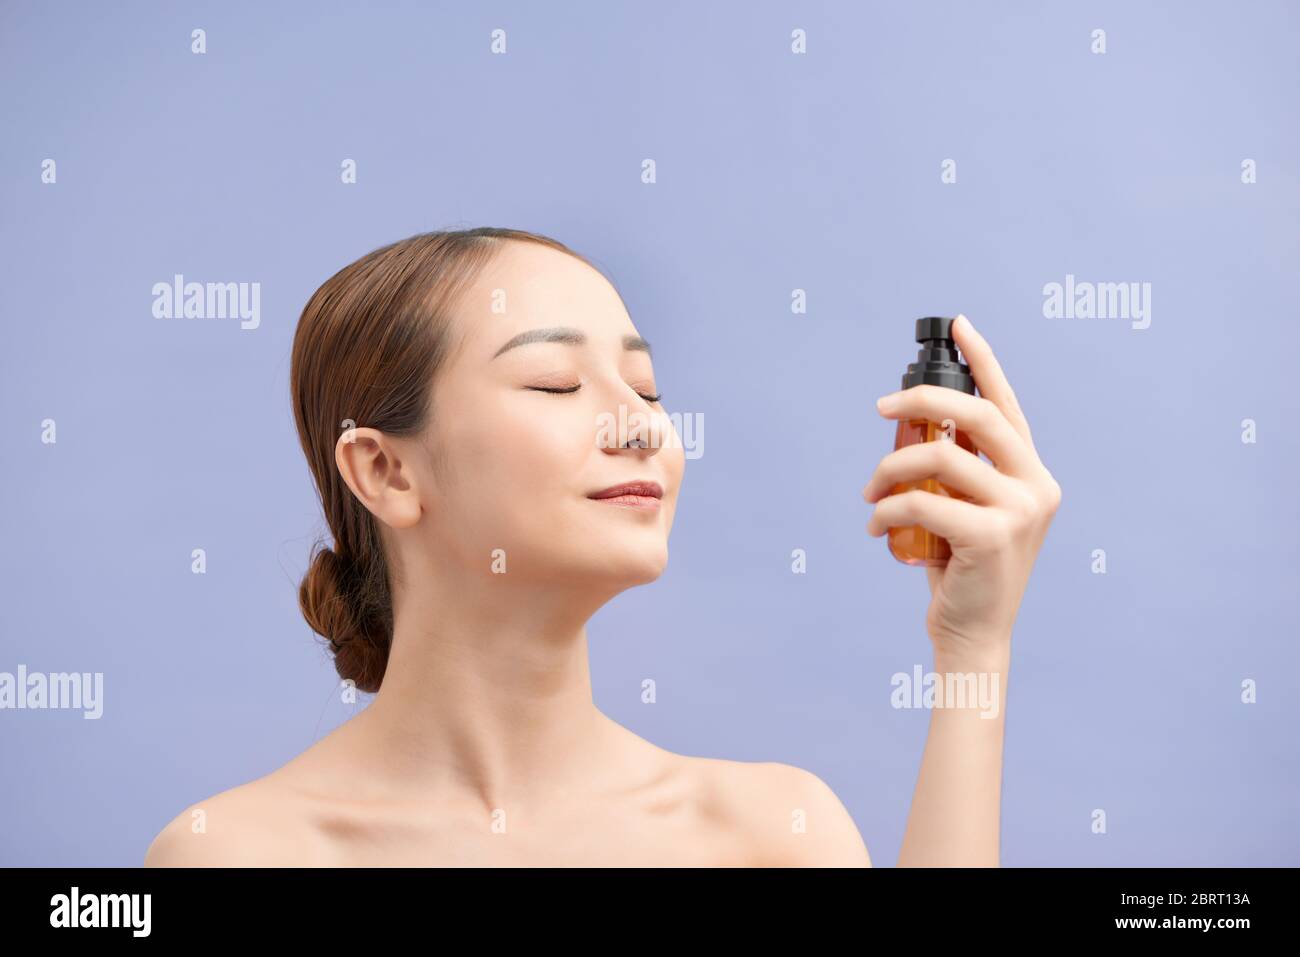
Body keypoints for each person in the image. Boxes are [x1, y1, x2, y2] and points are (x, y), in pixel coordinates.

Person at [144, 227, 1060, 867]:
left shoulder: (773, 835)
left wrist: (974, 650)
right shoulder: (233, 853)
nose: (640, 427)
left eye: (648, 388)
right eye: (552, 382)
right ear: (384, 470)